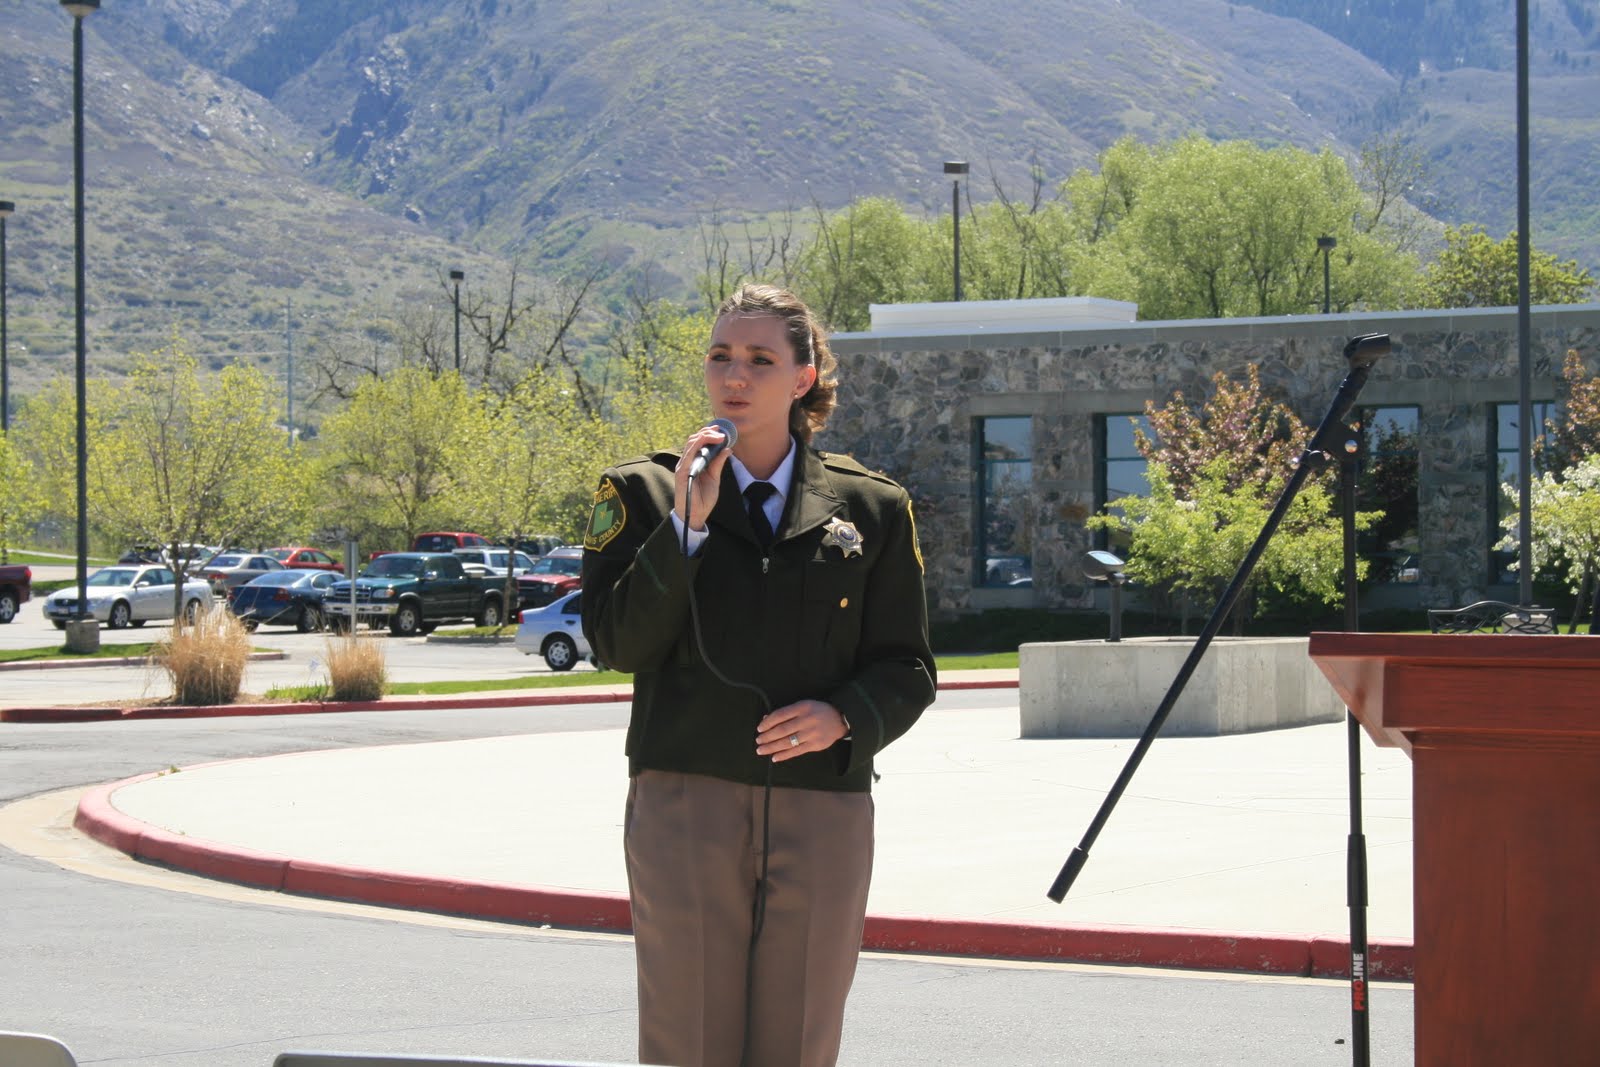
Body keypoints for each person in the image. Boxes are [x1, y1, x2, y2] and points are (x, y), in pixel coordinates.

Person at [581, 283, 936, 1067]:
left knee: (800, 1042)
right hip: (685, 801)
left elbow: (908, 667)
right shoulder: (642, 492)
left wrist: (844, 716)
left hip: (823, 808)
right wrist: (686, 525)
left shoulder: (872, 507)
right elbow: (617, 642)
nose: (733, 375)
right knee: (689, 1039)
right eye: (720, 356)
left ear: (802, 379)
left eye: (759, 359)